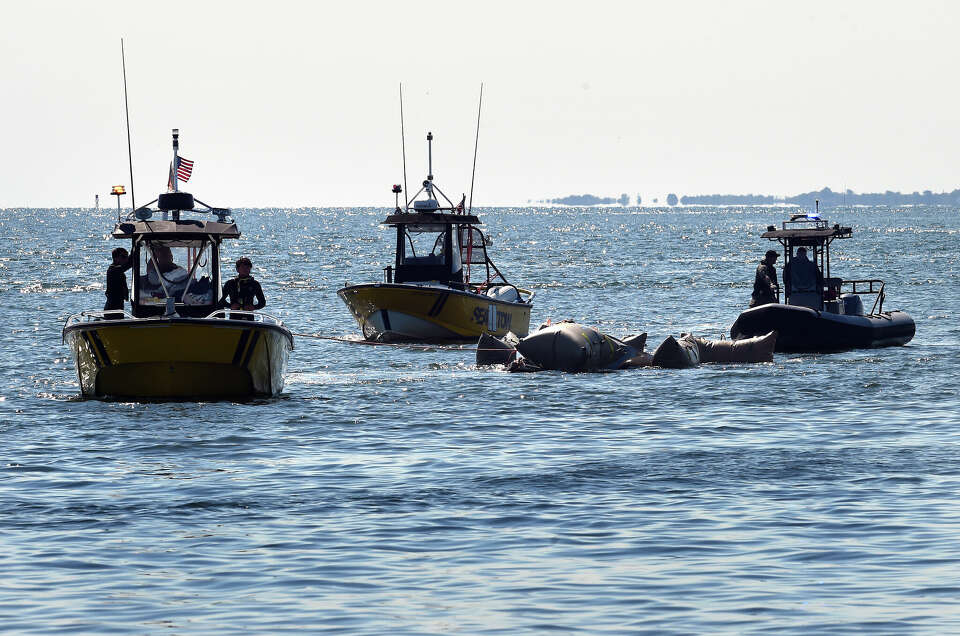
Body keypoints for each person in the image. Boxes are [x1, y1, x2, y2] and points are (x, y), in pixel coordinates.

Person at [104, 247, 132, 316]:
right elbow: (129, 263)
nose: (126, 259)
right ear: (115, 258)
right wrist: (135, 248)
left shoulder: (117, 269)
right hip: (112, 308)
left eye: (127, 256)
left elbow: (129, 263)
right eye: (123, 256)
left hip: (118, 306)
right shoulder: (113, 270)